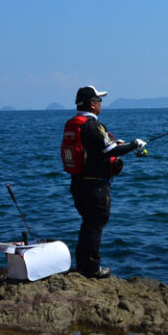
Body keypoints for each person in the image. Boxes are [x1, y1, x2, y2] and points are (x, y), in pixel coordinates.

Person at [64, 86, 146, 278]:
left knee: (88, 224)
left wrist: (119, 144)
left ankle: (83, 265)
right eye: (99, 101)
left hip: (78, 183)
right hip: (95, 187)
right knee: (95, 224)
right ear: (92, 105)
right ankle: (91, 269)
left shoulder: (74, 123)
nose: (101, 104)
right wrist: (134, 144)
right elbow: (109, 151)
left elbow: (98, 148)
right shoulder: (92, 125)